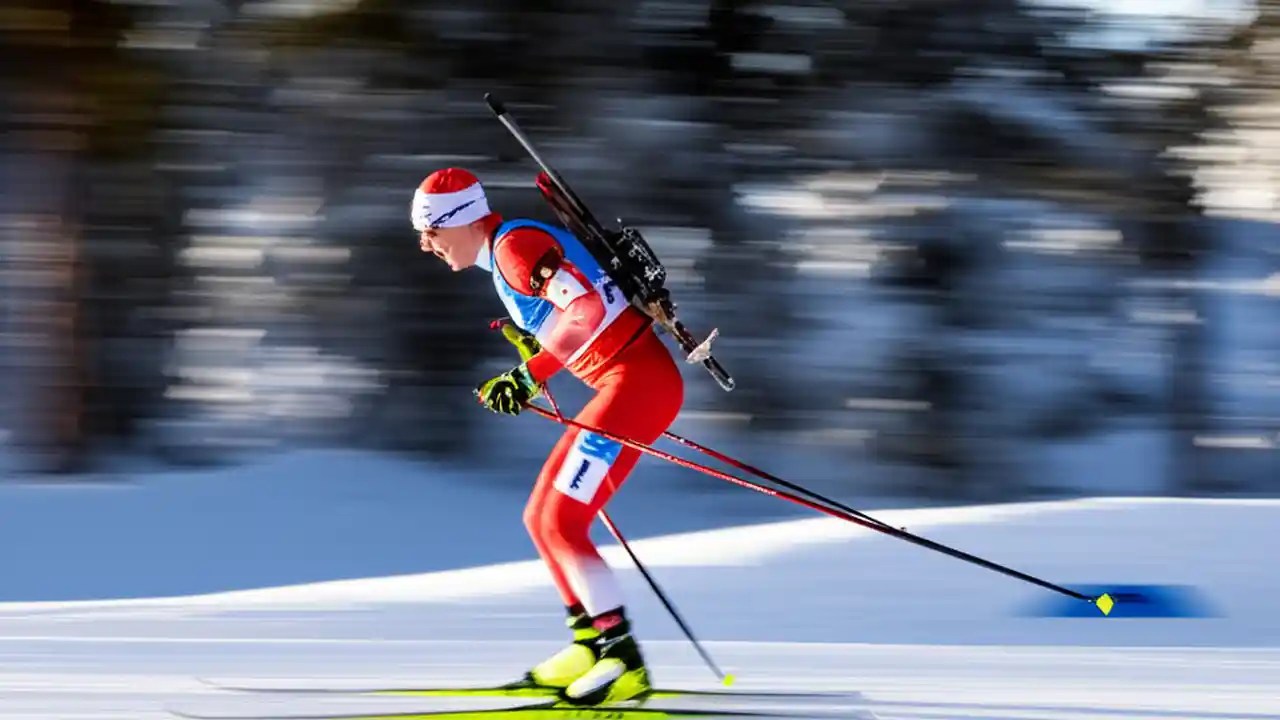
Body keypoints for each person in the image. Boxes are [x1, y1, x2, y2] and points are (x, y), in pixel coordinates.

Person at [410, 167, 684, 705]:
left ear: (459, 220)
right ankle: (588, 647)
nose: (425, 245)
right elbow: (576, 311)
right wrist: (534, 345)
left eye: (430, 231)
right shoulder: (509, 254)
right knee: (540, 518)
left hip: (638, 384)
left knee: (563, 520)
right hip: (626, 382)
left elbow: (585, 307)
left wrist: (530, 373)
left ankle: (621, 660)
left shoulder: (513, 248)